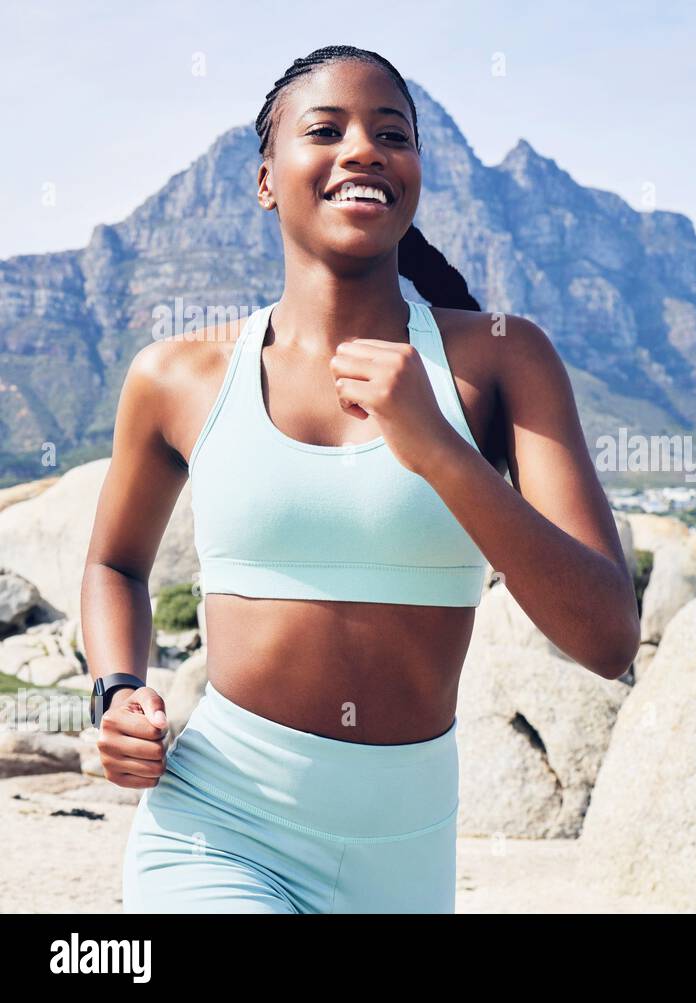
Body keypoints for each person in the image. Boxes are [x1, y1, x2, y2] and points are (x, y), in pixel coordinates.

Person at [82, 44, 640, 914]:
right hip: (218, 832)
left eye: (393, 133)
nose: (365, 149)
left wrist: (441, 451)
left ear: (414, 174)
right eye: (326, 129)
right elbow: (114, 564)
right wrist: (117, 689)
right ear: (267, 177)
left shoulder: (503, 359)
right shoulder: (178, 376)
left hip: (406, 862)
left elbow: (607, 637)